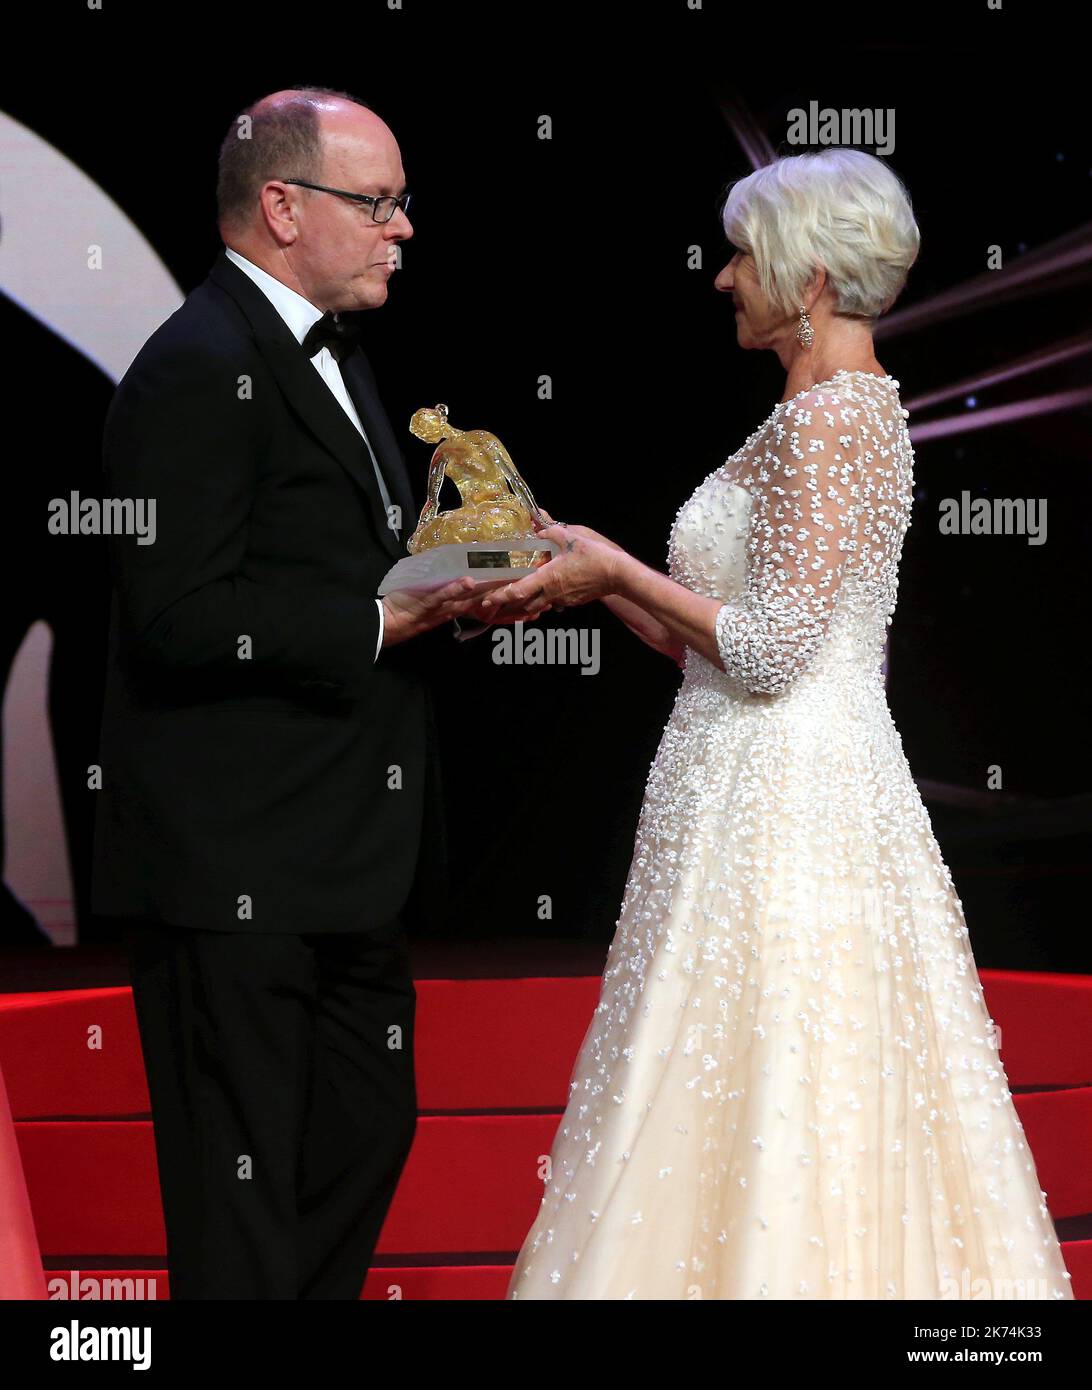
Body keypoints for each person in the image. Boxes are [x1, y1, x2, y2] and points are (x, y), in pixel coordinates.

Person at [487, 149, 1074, 1300]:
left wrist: (619, 567)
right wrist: (594, 575)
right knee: (743, 1076)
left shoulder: (830, 422)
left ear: (806, 280)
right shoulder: (822, 414)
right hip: (751, 781)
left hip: (785, 797)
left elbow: (768, 651)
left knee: (778, 1074)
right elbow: (718, 636)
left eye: (744, 253)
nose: (722, 277)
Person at [91, 87, 495, 1299]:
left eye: (400, 203)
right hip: (232, 872)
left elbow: (325, 562)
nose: (403, 228)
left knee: (361, 1136)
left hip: (337, 865)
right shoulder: (194, 366)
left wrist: (457, 578)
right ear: (280, 207)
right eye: (376, 203)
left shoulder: (333, 349)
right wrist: (383, 617)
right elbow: (177, 620)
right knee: (243, 1205)